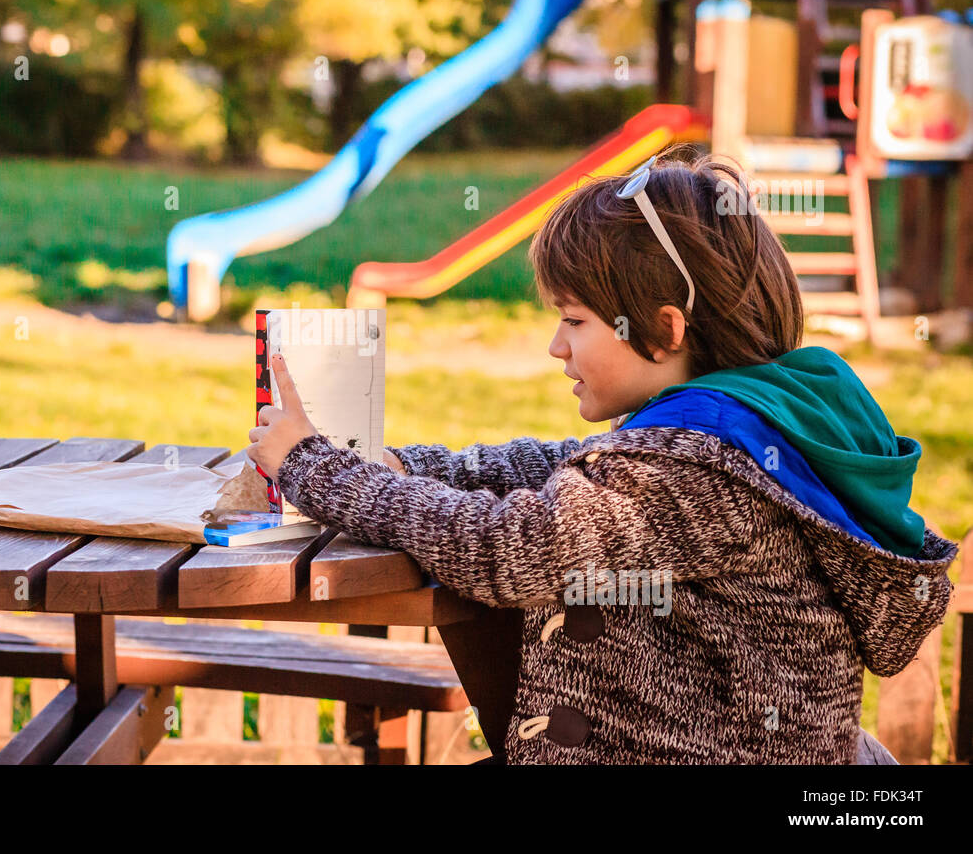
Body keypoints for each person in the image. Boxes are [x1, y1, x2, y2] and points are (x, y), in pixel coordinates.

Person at [247, 150, 959, 764]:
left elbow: (513, 547)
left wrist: (317, 468)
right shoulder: (736, 430)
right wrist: (412, 468)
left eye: (574, 320)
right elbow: (566, 465)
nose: (558, 346)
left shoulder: (696, 471)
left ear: (662, 328)